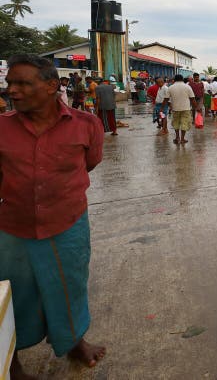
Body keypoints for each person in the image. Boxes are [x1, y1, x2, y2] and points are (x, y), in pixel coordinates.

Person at [0, 55, 106, 379]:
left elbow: (90, 162)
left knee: (70, 285)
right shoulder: (2, 127)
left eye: (22, 83)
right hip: (13, 226)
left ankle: (74, 342)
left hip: (68, 222)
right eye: (10, 83)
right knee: (11, 295)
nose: (12, 90)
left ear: (51, 86)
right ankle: (10, 362)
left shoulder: (86, 124)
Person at [162, 74, 196, 145]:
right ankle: (182, 139)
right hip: (186, 108)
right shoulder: (187, 87)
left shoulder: (171, 87)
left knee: (176, 123)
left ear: (174, 79)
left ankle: (177, 137)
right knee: (184, 123)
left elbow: (166, 99)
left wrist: (161, 108)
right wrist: (196, 108)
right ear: (182, 79)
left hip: (175, 108)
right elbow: (192, 99)